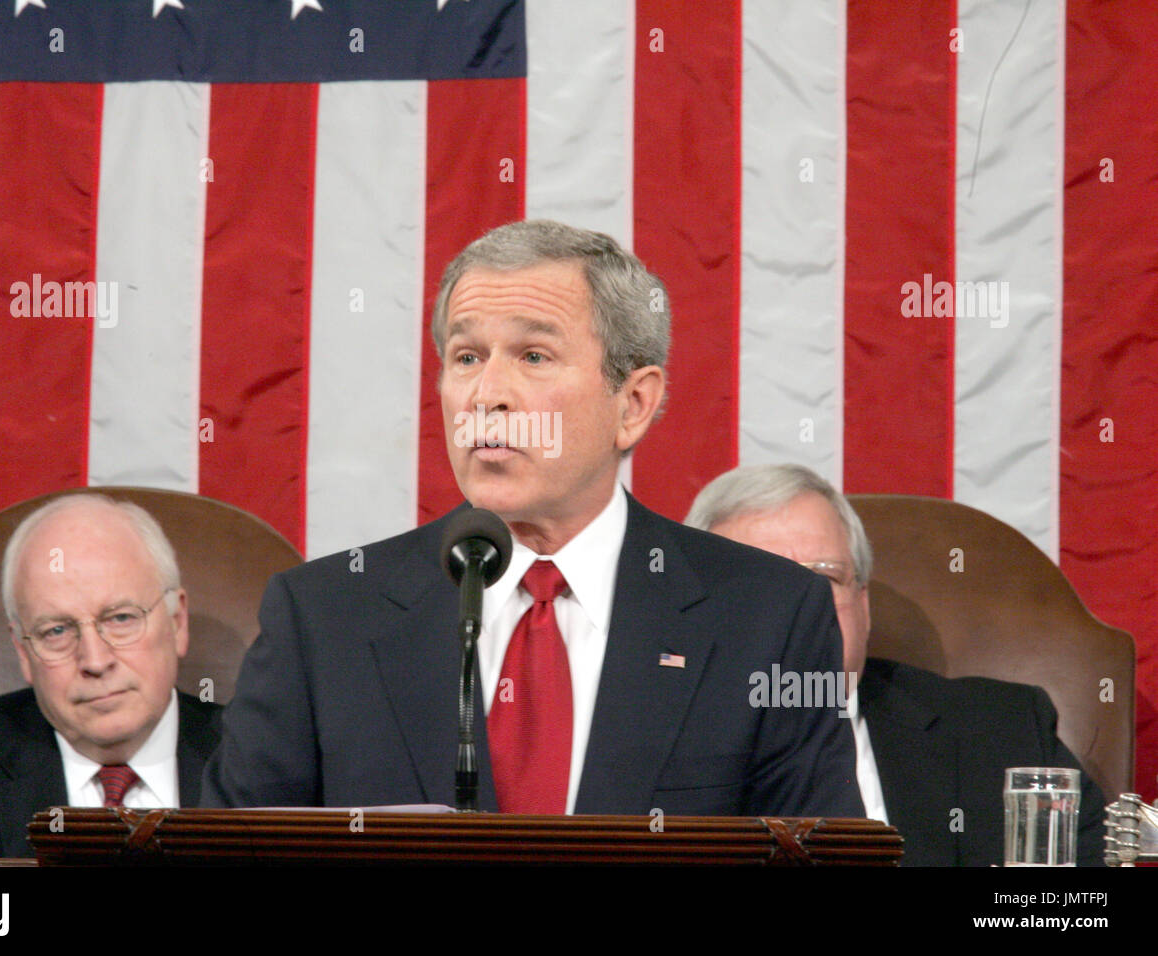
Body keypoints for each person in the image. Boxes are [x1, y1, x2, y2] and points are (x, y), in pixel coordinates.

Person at [202, 219, 864, 818]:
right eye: (466, 358)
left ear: (633, 404)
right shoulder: (323, 619)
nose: (487, 395)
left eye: (533, 356)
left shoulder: (769, 616)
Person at [685, 463, 1107, 865]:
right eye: (764, 584)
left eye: (823, 580)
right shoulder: (640, 744)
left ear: (863, 605)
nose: (802, 611)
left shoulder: (1006, 733)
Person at [0, 493, 222, 857]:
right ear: (23, 651)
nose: (95, 661)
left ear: (177, 622)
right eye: (57, 631)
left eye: (121, 618)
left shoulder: (270, 761)